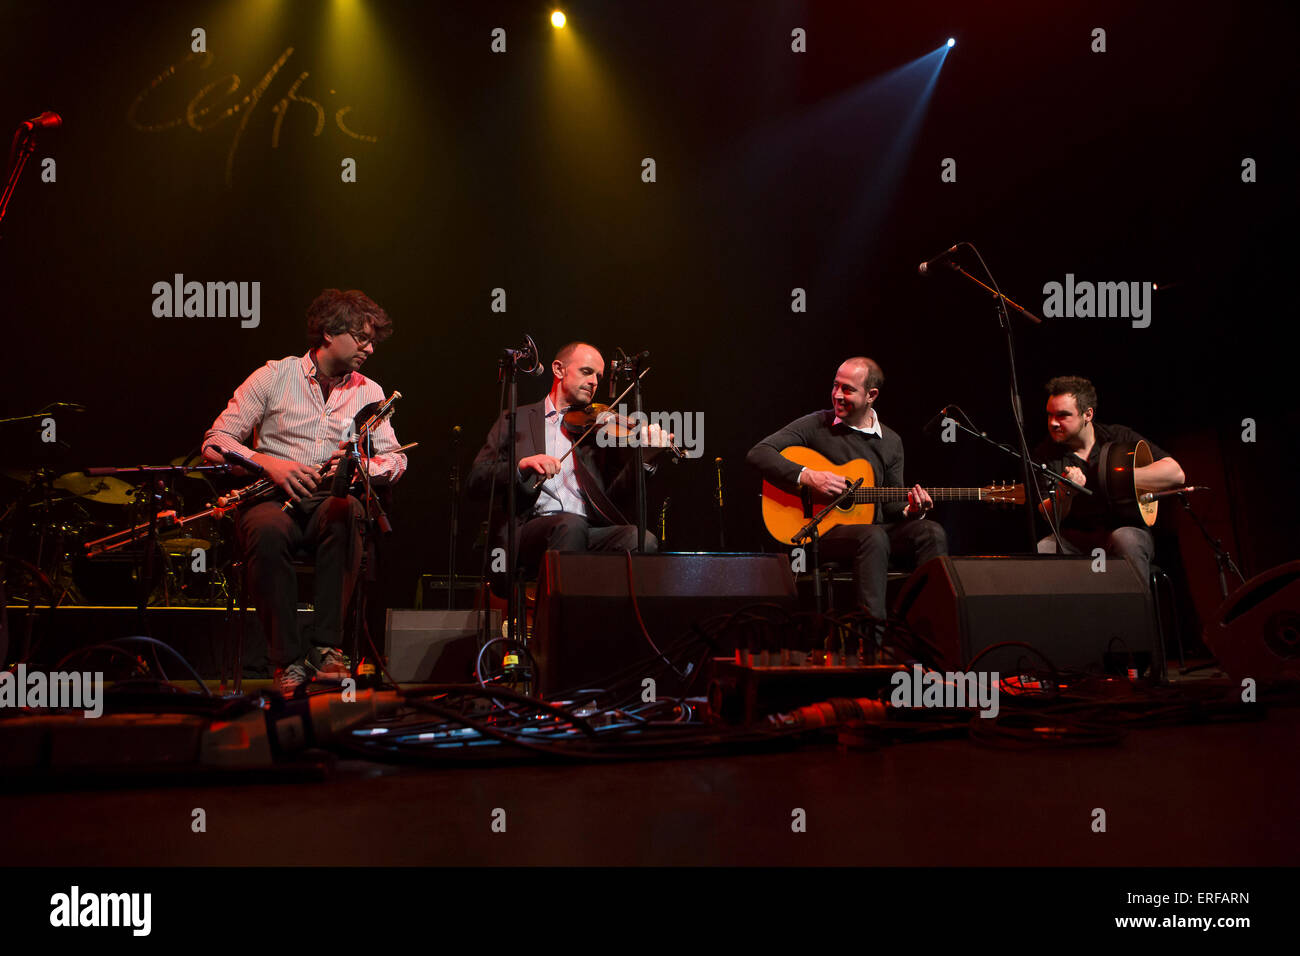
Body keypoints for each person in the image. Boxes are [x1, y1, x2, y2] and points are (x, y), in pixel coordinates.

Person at [203, 289, 407, 693]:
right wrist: (271, 464)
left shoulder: (370, 391)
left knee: (347, 512)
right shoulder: (273, 375)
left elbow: (397, 459)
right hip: (270, 499)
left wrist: (361, 467)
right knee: (266, 532)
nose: (369, 348)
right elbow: (215, 441)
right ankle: (286, 661)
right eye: (362, 338)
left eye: (372, 341)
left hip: (328, 500)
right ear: (329, 333)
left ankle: (327, 648)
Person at [746, 356, 947, 624]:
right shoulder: (816, 424)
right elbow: (759, 453)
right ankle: (871, 637)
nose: (837, 395)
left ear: (871, 395)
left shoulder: (891, 442)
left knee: (931, 532)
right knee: (873, 537)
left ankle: (928, 629)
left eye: (848, 389)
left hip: (873, 531)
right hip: (822, 531)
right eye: (835, 386)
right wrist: (808, 476)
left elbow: (890, 506)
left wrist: (911, 510)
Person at [468, 341, 672, 575]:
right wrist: (520, 467)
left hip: (588, 529)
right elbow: (476, 479)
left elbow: (615, 499)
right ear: (558, 369)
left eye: (598, 376)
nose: (594, 382)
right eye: (586, 372)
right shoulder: (516, 419)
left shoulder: (595, 430)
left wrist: (644, 459)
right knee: (570, 525)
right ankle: (562, 610)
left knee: (640, 539)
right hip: (532, 531)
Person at [1032, 375, 1184, 582]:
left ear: (1087, 414)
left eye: (1062, 415)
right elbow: (1048, 514)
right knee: (1043, 550)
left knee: (1126, 539)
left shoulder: (1118, 437)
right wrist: (1066, 490)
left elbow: (1176, 474)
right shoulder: (1045, 454)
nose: (1053, 423)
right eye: (1049, 415)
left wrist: (1115, 477)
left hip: (1124, 529)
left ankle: (1135, 611)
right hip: (1075, 539)